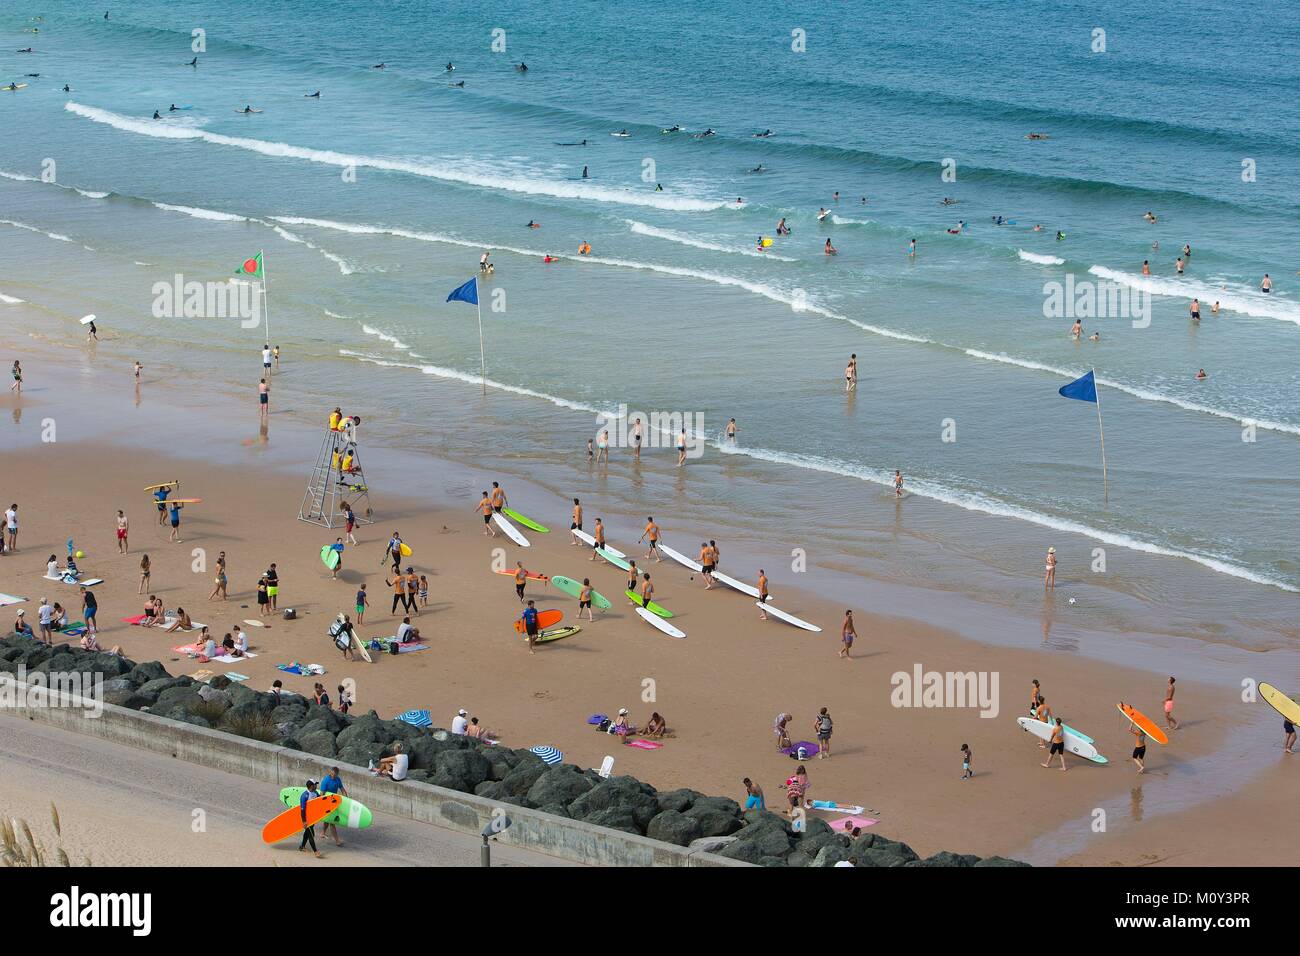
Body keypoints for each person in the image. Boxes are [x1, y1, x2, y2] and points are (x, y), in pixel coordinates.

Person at [318, 767, 347, 846]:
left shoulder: (338, 779)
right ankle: (337, 841)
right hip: (326, 802)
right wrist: (322, 806)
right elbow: (321, 794)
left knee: (328, 819)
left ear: (337, 774)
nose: (333, 776)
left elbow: (342, 789)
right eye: (332, 774)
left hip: (334, 801)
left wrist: (346, 799)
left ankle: (323, 833)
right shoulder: (326, 780)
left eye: (335, 775)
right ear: (330, 773)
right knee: (332, 821)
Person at [298, 779, 323, 857]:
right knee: (311, 834)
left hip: (313, 818)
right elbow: (302, 810)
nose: (316, 786)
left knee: (307, 833)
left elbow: (320, 801)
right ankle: (316, 852)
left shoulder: (315, 793)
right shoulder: (305, 795)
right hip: (306, 818)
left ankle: (302, 847)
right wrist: (304, 821)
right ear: (312, 786)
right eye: (315, 784)